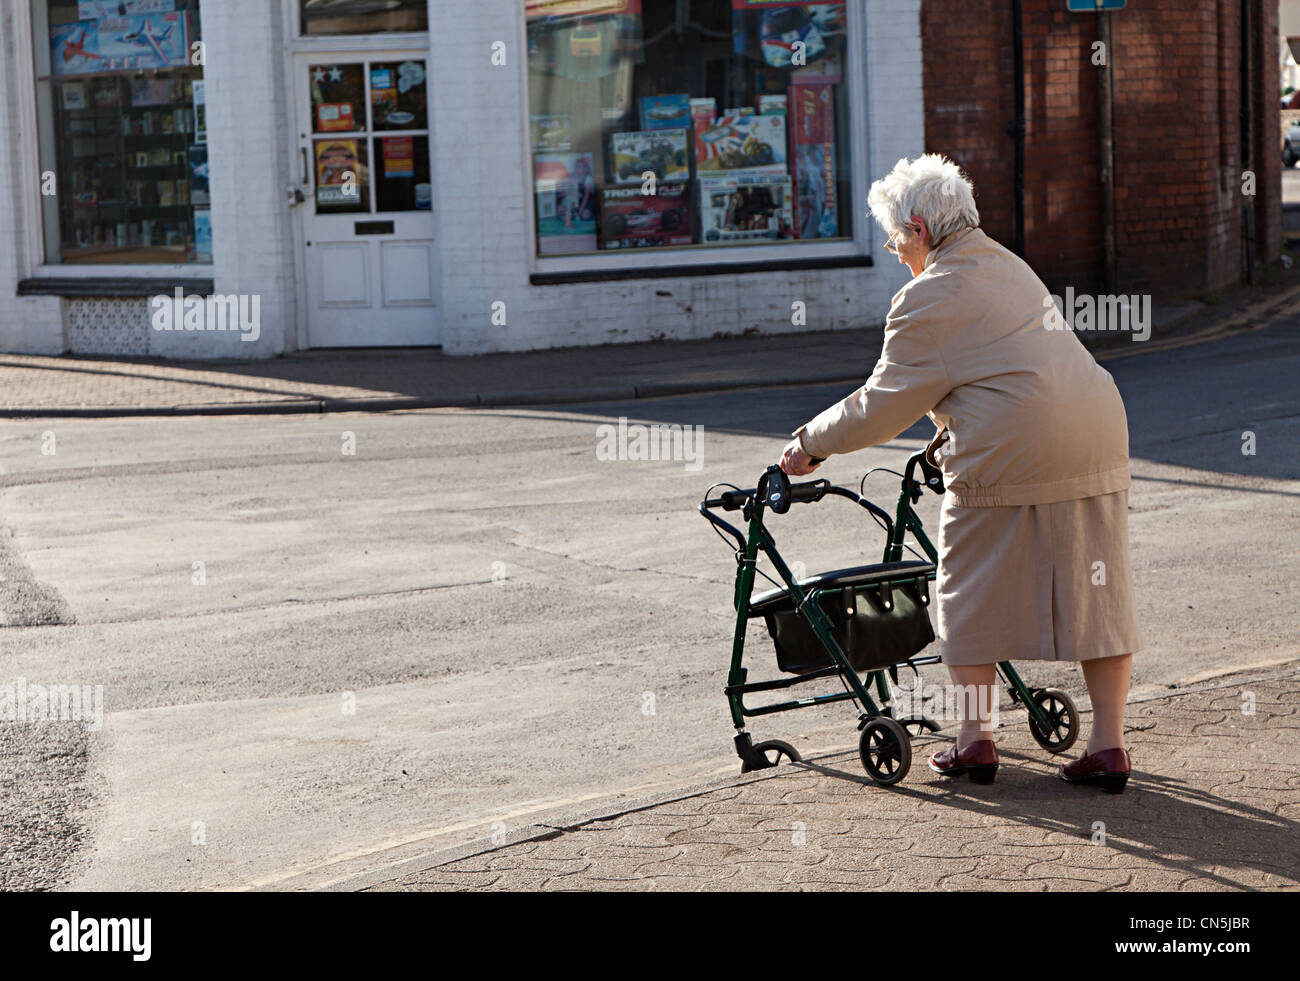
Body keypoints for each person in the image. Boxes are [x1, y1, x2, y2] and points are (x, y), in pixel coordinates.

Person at [779, 153, 1141, 794]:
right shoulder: (1010, 266)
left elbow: (879, 408)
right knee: (1097, 591)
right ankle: (1108, 747)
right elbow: (1006, 367)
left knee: (964, 589)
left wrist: (809, 444)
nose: (896, 253)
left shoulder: (928, 296)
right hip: (1097, 433)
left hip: (1011, 450)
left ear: (918, 228)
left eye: (895, 239)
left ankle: (975, 741)